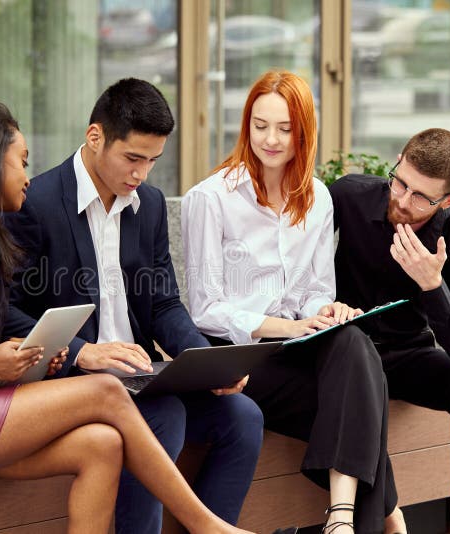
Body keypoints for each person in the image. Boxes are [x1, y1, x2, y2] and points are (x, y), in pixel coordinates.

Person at [0, 100, 255, 534]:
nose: (28, 176)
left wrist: (32, 358)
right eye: (21, 162)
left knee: (103, 443)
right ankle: (205, 525)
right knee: (107, 391)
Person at [3, 79, 264, 534]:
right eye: (133, 158)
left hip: (140, 377)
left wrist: (204, 360)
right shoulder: (35, 204)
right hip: (73, 382)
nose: (142, 173)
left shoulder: (152, 205)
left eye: (152, 161)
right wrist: (85, 352)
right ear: (95, 136)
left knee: (243, 417)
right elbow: (7, 312)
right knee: (165, 415)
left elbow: (163, 303)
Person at [182, 70, 406, 534]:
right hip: (240, 357)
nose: (271, 139)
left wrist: (326, 312)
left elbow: (315, 290)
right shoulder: (210, 199)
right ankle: (384, 519)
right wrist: (283, 327)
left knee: (352, 342)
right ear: (246, 125)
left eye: (285, 129)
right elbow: (205, 307)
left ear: (303, 131)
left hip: (298, 349)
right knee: (364, 401)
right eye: (260, 125)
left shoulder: (318, 199)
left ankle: (341, 521)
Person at [329, 128, 450, 534]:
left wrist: (432, 286)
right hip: (343, 353)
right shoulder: (349, 196)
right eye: (400, 181)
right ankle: (389, 516)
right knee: (355, 365)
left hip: (406, 356)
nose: (402, 201)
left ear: (448, 200)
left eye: (421, 197)